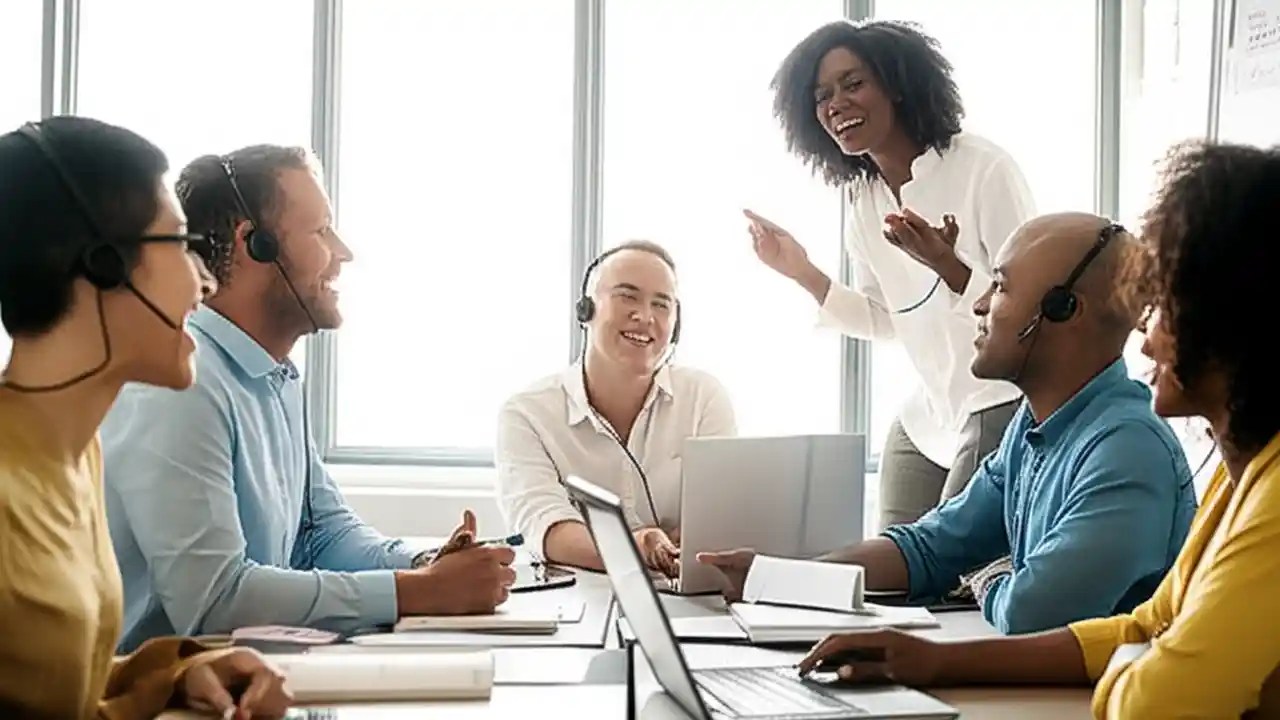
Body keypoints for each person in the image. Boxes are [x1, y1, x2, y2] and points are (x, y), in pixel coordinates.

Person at [795, 141, 1280, 718]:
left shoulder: (1143, 451)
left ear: (1235, 318)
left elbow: (1154, 699)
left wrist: (992, 577)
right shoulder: (1240, 482)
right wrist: (928, 659)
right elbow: (1147, 625)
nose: (1146, 338)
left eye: (1168, 308)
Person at [100, 144, 515, 651]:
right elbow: (212, 602)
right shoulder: (180, 383)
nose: (343, 253)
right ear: (257, 245)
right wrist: (418, 592)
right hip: (155, 700)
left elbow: (321, 534)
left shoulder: (276, 378)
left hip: (241, 680)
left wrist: (427, 564)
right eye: (322, 231)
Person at [701, 211, 1196, 635]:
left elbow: (1034, 611)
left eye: (999, 287)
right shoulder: (1035, 430)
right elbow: (930, 546)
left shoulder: (1128, 447)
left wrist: (988, 573)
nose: (979, 304)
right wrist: (776, 578)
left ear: (1063, 310)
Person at [0, 117, 291, 719]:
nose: (205, 281)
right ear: (105, 267)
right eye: (183, 246)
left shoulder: (72, 454)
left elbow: (46, 676)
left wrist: (180, 671)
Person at [748, 19, 1036, 531]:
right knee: (891, 572)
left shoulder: (983, 169)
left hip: (1000, 398)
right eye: (822, 96)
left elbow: (1031, 310)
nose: (835, 104)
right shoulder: (864, 200)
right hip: (931, 414)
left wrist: (947, 265)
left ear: (898, 85)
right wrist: (800, 270)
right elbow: (885, 320)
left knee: (945, 567)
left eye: (853, 83)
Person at [496, 240, 736, 575]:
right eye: (627, 297)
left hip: (688, 600)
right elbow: (545, 527)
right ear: (586, 311)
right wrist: (636, 547)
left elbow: (719, 516)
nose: (645, 316)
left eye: (661, 304)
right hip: (580, 602)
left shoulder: (703, 397)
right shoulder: (527, 414)